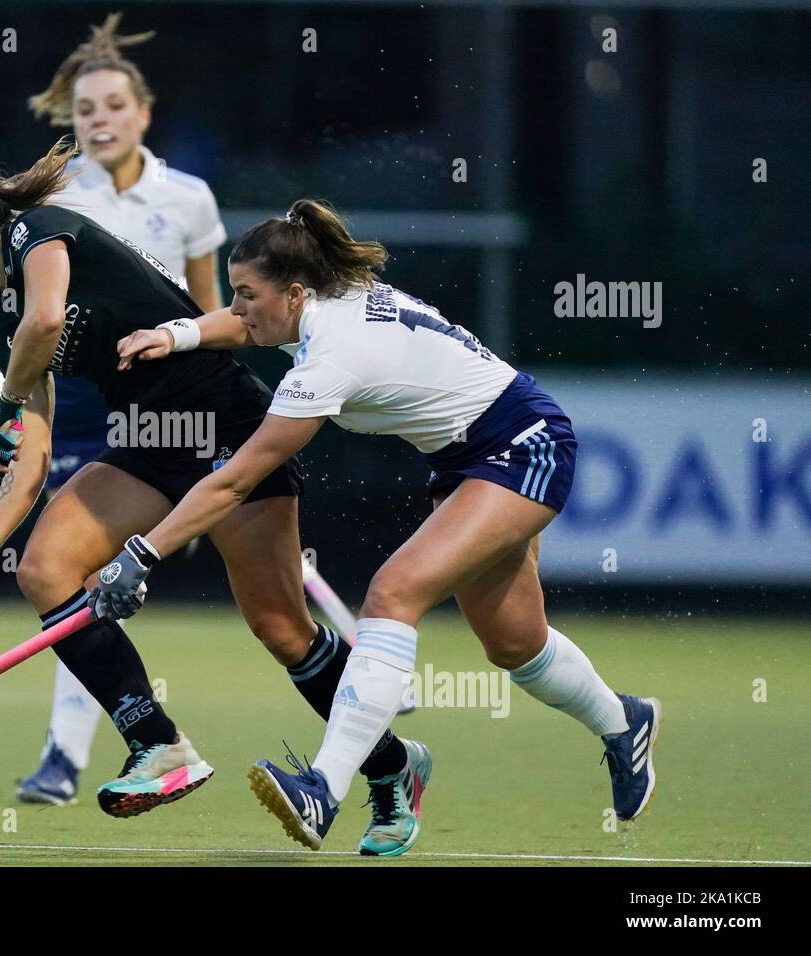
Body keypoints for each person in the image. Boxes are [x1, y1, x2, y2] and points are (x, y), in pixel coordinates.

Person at [93, 199, 662, 854]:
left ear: (296, 292)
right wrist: (181, 334)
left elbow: (234, 480)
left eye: (246, 293)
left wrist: (141, 553)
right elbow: (250, 325)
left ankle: (322, 790)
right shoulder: (331, 297)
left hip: (525, 443)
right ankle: (625, 722)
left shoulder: (331, 355)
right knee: (513, 643)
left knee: (393, 594)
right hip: (466, 458)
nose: (236, 308)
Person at [0, 144, 417, 825]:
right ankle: (158, 743)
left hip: (223, 424)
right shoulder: (5, 320)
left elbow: (49, 318)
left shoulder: (41, 230)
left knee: (279, 625)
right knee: (45, 568)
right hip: (150, 441)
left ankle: (392, 767)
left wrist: (3, 402)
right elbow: (31, 459)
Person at [0, 15, 230, 806]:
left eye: (114, 105)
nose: (100, 120)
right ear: (70, 120)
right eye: (85, 110)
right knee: (61, 566)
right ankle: (66, 754)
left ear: (143, 113)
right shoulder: (57, 196)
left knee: (270, 596)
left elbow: (208, 307)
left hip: (171, 398)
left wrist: (217, 397)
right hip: (79, 398)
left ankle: (365, 716)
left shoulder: (188, 197)